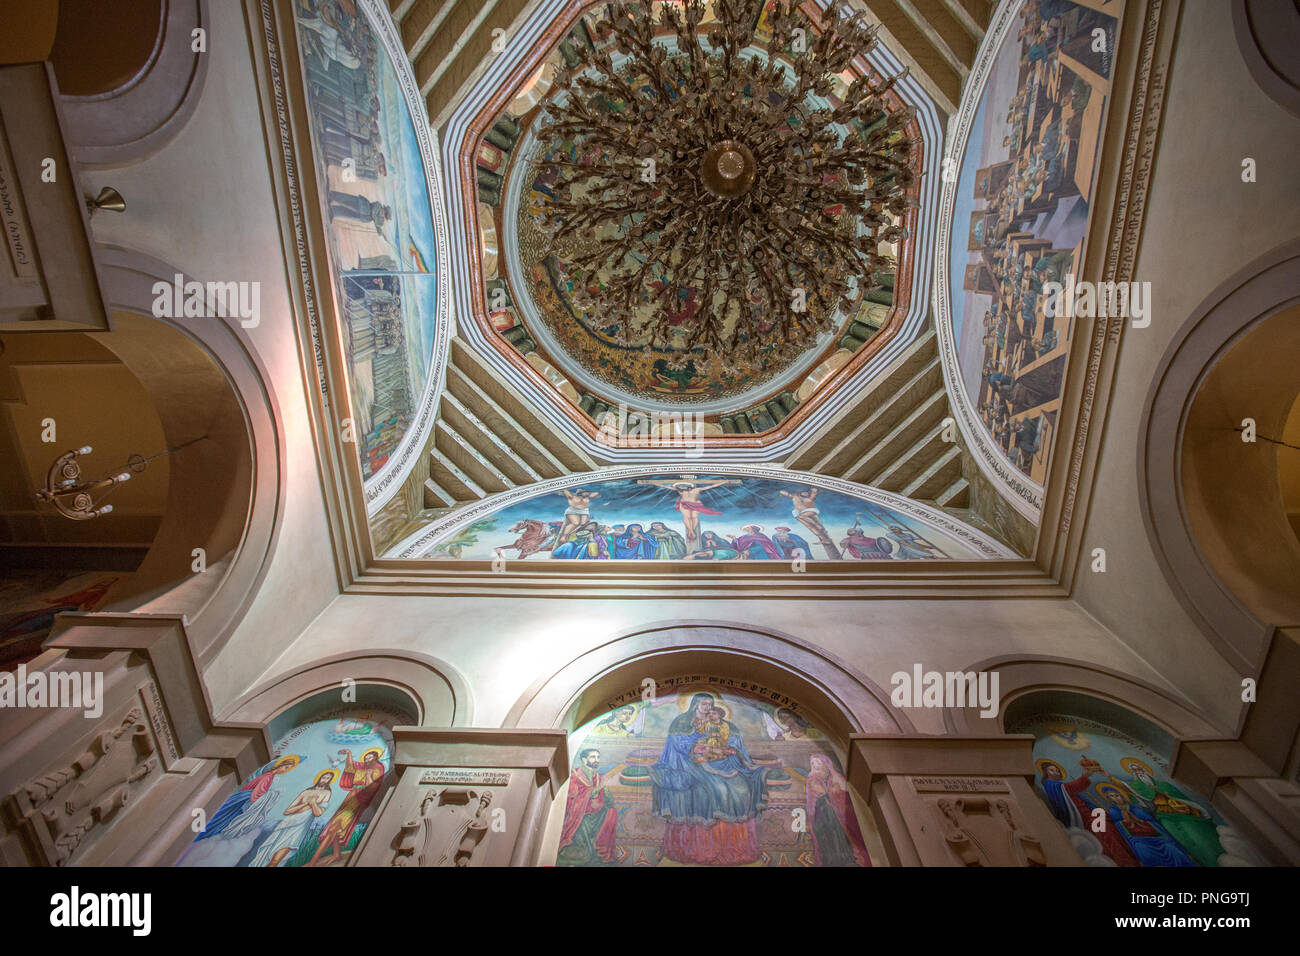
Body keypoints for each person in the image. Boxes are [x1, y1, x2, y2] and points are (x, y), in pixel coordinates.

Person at [650, 693, 767, 864]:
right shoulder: (682, 722)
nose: (707, 708)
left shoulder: (725, 724)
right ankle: (697, 848)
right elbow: (675, 748)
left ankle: (732, 847)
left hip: (722, 762)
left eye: (710, 704)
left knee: (741, 788)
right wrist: (695, 748)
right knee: (713, 788)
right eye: (704, 704)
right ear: (695, 704)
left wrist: (725, 750)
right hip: (690, 763)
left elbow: (734, 744)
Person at [1119, 758, 1223, 867]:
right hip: (1163, 816)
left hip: (1181, 813)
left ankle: (1214, 859)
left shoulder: (1164, 785)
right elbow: (1138, 800)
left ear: (1144, 769)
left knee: (1196, 835)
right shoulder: (1137, 788)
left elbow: (1181, 798)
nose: (1138, 772)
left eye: (1139, 769)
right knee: (1182, 839)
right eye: (1135, 771)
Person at [192, 754, 300, 842]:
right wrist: (271, 795)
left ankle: (200, 835)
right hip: (243, 800)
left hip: (240, 798)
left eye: (288, 769)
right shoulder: (268, 777)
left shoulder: (268, 775)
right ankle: (202, 835)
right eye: (286, 767)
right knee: (224, 818)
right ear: (280, 765)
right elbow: (257, 792)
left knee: (221, 817)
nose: (285, 770)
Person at [306, 748, 386, 865]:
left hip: (360, 799)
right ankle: (336, 854)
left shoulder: (377, 769)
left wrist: (368, 776)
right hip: (351, 797)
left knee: (334, 828)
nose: (367, 759)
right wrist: (349, 754)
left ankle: (312, 863)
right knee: (336, 827)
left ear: (375, 758)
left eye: (370, 757)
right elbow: (349, 767)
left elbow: (372, 788)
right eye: (366, 757)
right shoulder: (362, 767)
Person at [249, 770, 336, 867]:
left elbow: (318, 813)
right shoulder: (306, 792)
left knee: (276, 860)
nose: (324, 780)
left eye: (327, 778)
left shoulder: (326, 793)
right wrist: (306, 804)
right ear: (320, 777)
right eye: (324, 777)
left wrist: (312, 803)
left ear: (330, 781)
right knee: (268, 855)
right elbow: (288, 811)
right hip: (286, 824)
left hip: (298, 828)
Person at [805, 754, 871, 866]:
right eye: (813, 763)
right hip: (822, 817)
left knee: (833, 817)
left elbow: (846, 797)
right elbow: (815, 800)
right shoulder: (812, 779)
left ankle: (848, 858)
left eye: (818, 763)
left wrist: (834, 795)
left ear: (826, 764)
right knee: (827, 813)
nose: (815, 766)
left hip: (841, 815)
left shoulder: (836, 776)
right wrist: (829, 796)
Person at [556, 748, 619, 865]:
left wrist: (605, 789)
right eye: (593, 757)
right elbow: (574, 797)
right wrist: (599, 788)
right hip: (580, 816)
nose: (596, 760)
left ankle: (600, 851)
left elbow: (609, 801)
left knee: (612, 812)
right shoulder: (575, 776)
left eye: (598, 757)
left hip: (597, 815)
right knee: (584, 854)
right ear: (584, 760)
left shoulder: (599, 777)